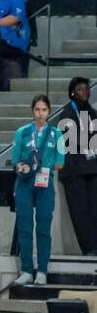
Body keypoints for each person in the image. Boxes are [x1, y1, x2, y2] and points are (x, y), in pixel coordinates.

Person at [11, 94, 65, 286]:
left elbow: (60, 163)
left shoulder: (57, 134)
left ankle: (42, 270)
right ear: (32, 111)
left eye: (44, 110)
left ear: (49, 111)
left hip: (44, 185)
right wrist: (23, 167)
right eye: (37, 109)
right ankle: (26, 269)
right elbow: (15, 160)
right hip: (25, 185)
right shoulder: (22, 132)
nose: (40, 113)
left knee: (43, 229)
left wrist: (44, 165)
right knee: (24, 228)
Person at [57, 78, 97, 256]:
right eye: (81, 89)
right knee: (79, 212)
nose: (85, 92)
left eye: (87, 89)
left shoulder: (93, 113)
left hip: (92, 168)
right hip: (74, 170)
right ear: (72, 92)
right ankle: (89, 248)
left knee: (94, 210)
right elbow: (71, 144)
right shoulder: (66, 114)